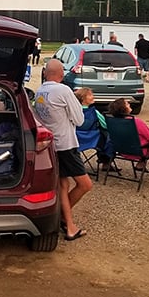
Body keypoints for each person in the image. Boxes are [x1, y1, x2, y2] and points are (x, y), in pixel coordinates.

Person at [32, 59, 92, 240]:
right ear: (62, 73)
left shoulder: (40, 91)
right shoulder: (64, 90)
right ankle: (60, 217)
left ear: (45, 73)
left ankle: (69, 225)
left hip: (51, 144)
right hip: (66, 144)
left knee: (63, 185)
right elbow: (79, 119)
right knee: (85, 184)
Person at [107, 97, 149, 173]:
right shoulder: (135, 122)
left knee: (141, 140)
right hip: (139, 152)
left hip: (122, 150)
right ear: (123, 108)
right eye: (127, 104)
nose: (129, 104)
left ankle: (140, 165)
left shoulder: (113, 122)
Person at [74, 87, 112, 168]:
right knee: (107, 136)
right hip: (92, 139)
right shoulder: (94, 112)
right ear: (83, 98)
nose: (93, 96)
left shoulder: (74, 112)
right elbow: (105, 125)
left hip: (76, 138)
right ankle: (106, 161)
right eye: (90, 95)